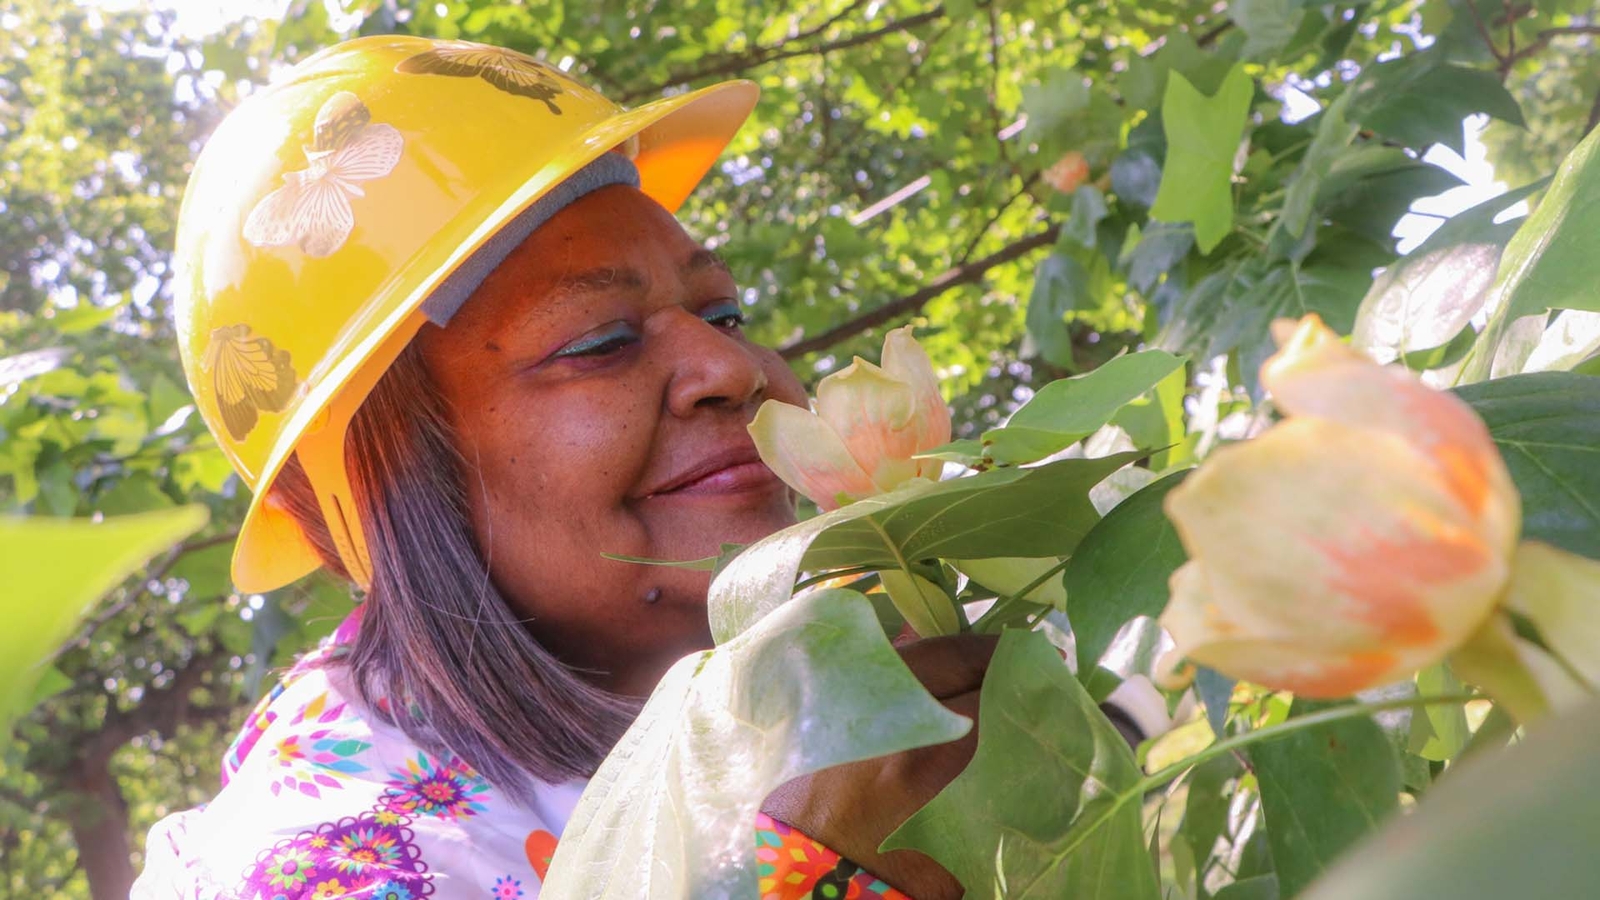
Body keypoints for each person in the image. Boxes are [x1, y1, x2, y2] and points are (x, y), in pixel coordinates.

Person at [131, 35, 1001, 900]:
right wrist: (796, 877)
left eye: (725, 314)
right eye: (602, 342)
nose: (733, 369)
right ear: (378, 487)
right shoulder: (310, 873)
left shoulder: (841, 691)